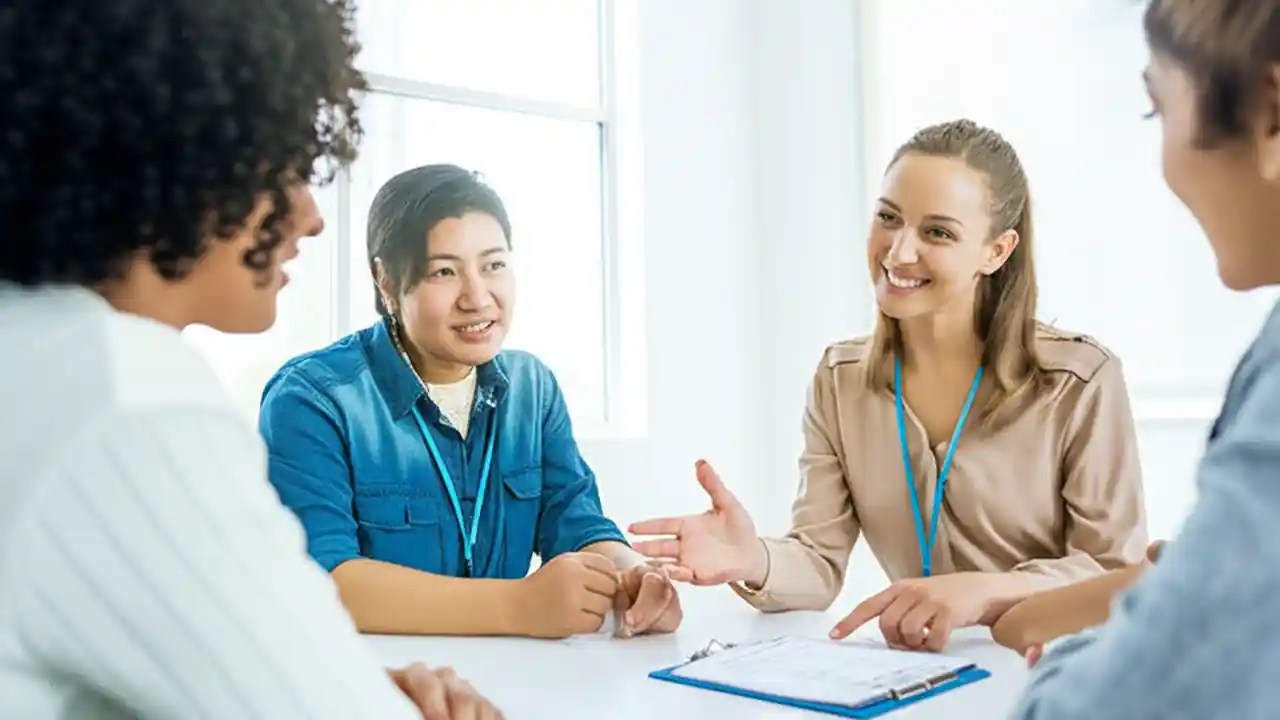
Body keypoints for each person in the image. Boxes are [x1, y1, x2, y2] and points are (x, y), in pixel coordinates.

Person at [0, 2, 501, 718]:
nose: (311, 215)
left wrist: (323, 681)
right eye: (287, 168)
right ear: (187, 156)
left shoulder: (32, 350)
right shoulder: (132, 398)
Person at [629, 119, 1148, 652]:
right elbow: (818, 559)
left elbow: (1116, 570)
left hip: (1053, 668)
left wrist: (986, 593)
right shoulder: (841, 379)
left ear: (997, 251)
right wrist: (751, 558)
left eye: (938, 232)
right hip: (920, 672)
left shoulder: (1080, 380)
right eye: (888, 218)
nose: (899, 253)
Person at [258, 164, 682, 639]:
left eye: (494, 265)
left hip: (515, 685)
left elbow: (576, 522)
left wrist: (634, 574)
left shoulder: (532, 388)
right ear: (385, 280)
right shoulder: (314, 400)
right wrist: (517, 606)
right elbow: (323, 581)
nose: (478, 298)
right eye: (444, 272)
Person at [1004, 1, 1280, 716]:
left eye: (1157, 110)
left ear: (1273, 116)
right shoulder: (844, 375)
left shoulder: (1084, 373)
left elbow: (1133, 699)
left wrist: (1096, 645)